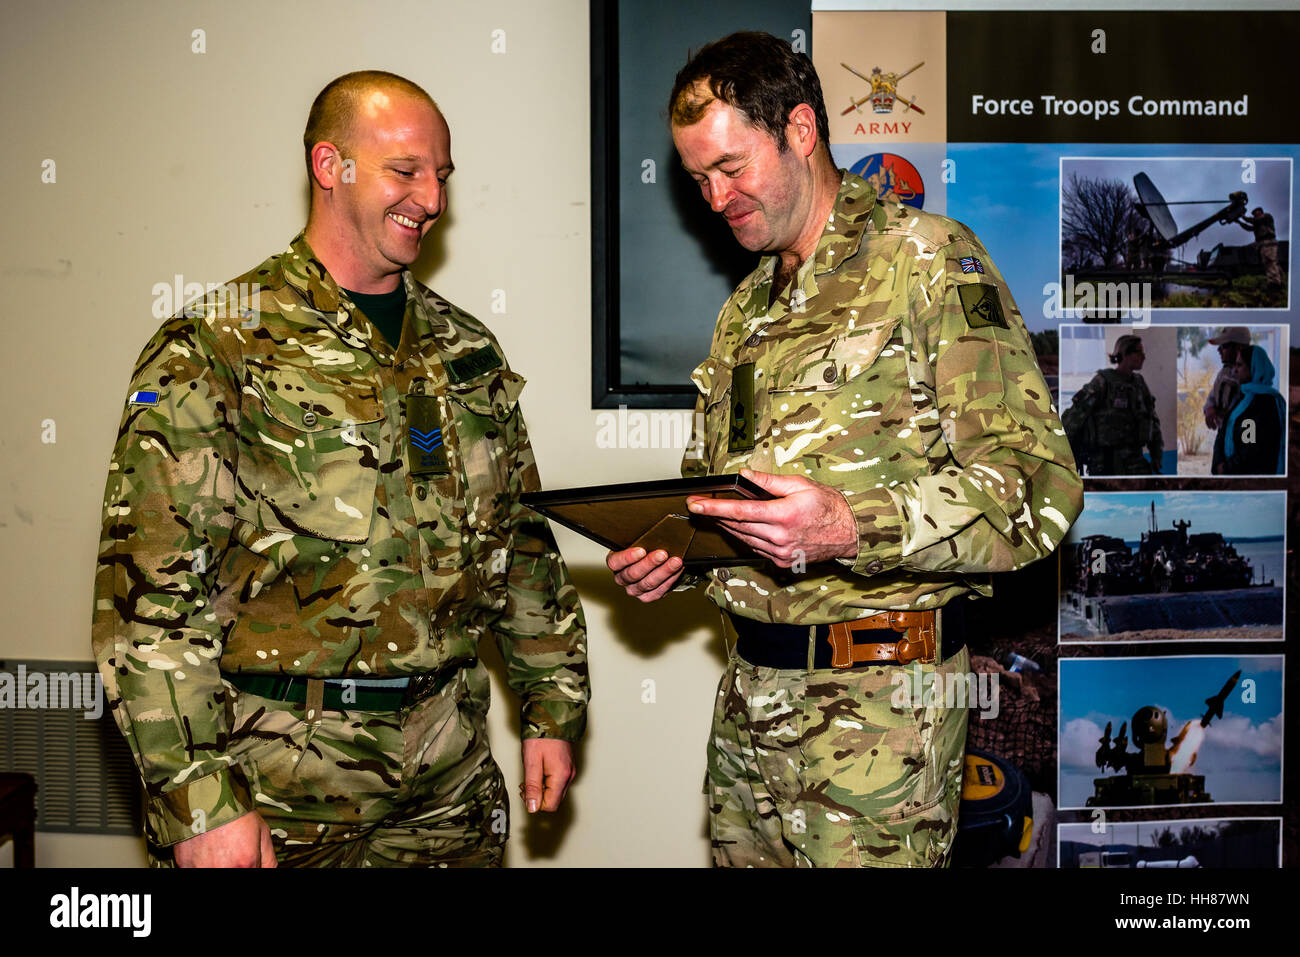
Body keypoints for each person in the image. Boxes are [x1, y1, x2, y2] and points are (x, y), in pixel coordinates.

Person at [606, 32, 1082, 868]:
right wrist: (678, 552)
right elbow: (724, 495)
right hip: (750, 717)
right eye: (697, 180)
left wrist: (851, 526)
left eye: (730, 167)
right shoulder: (747, 309)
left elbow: (1036, 486)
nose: (715, 199)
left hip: (880, 731)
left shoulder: (928, 263)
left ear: (798, 129)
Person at [91, 71, 588, 867]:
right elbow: (150, 601)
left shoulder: (464, 351)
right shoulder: (214, 346)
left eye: (441, 176)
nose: (431, 198)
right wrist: (197, 799)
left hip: (447, 795)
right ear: (331, 167)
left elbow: (521, 546)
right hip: (277, 796)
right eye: (406, 170)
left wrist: (551, 703)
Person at [1062, 333, 1163, 475]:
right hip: (1105, 464)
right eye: (1139, 352)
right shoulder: (1102, 382)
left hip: (1135, 463)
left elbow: (1152, 420)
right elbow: (1074, 417)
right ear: (1124, 354)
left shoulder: (1139, 383)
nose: (1144, 357)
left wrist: (1156, 456)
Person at [1220, 343, 1285, 475]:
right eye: (1235, 365)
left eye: (1240, 365)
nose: (1235, 370)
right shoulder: (1242, 396)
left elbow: (1252, 448)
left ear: (1254, 368)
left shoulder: (1266, 402)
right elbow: (1222, 431)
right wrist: (1217, 462)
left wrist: (1225, 468)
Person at [1204, 326, 1248, 473]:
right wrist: (1210, 409)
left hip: (1238, 436)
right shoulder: (1224, 371)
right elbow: (1214, 395)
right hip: (1223, 433)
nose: (1219, 350)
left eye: (1224, 346)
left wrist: (1227, 467)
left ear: (1239, 347)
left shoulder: (1249, 377)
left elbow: (1249, 444)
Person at [1236, 206, 1284, 287]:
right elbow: (1249, 228)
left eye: (1256, 212)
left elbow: (1255, 220)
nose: (1254, 215)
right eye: (1254, 214)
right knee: (1271, 263)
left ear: (1261, 211)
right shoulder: (1257, 223)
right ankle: (1280, 281)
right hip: (1263, 244)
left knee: (1270, 262)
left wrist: (1243, 217)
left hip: (1268, 243)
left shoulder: (1266, 217)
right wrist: (1239, 222)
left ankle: (1274, 284)